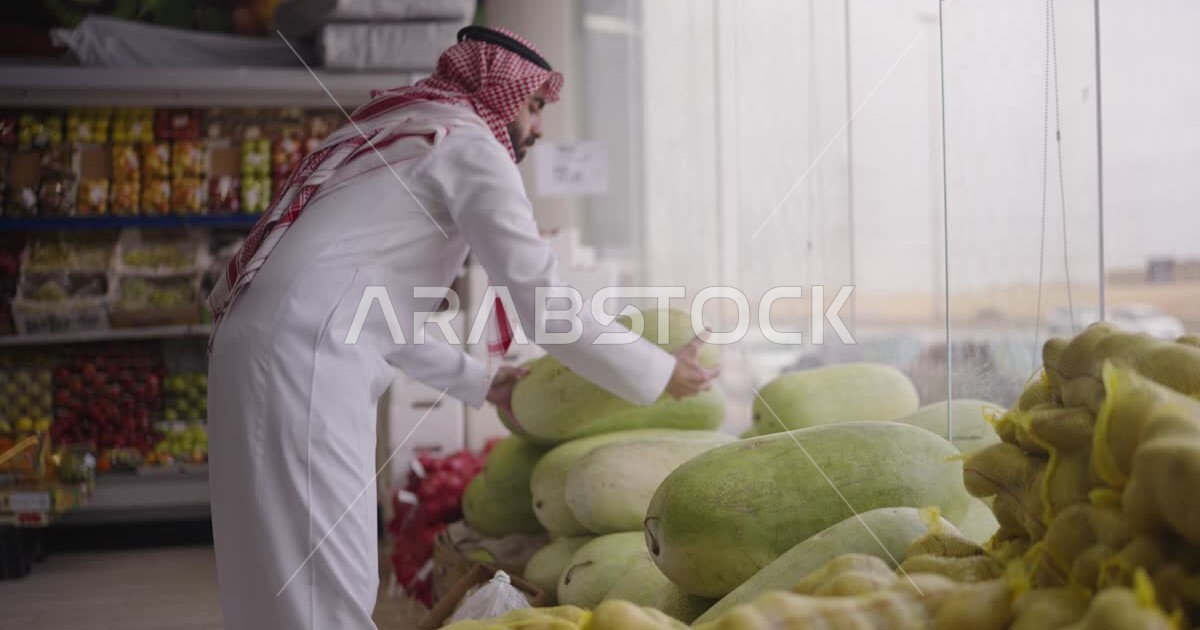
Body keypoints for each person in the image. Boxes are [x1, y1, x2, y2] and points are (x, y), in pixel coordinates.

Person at [205, 26, 719, 630]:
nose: (537, 128)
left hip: (258, 347)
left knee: (268, 580)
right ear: (498, 93)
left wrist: (482, 381)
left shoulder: (402, 125)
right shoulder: (467, 142)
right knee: (326, 587)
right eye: (532, 107)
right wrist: (660, 371)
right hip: (305, 360)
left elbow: (369, 308)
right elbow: (544, 302)